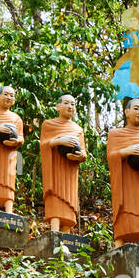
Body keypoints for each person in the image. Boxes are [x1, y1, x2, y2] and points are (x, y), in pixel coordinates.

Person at [106, 98, 139, 247]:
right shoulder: (115, 134)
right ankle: (119, 248)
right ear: (126, 112)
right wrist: (126, 151)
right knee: (123, 216)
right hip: (125, 184)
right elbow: (110, 156)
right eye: (136, 108)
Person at [39, 93, 86, 231]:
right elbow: (43, 144)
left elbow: (83, 152)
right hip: (55, 169)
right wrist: (58, 141)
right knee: (56, 197)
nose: (70, 106)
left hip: (70, 170)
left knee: (69, 202)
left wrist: (80, 156)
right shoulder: (48, 124)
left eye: (73, 104)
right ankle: (54, 230)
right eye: (66, 103)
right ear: (57, 107)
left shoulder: (78, 129)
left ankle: (66, 235)